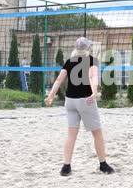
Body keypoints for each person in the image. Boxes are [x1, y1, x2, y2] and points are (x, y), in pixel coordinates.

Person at [45, 37, 115, 176]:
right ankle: (103, 165)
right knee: (97, 134)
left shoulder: (69, 62)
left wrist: (51, 95)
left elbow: (59, 79)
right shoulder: (92, 60)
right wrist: (94, 92)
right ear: (88, 48)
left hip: (70, 101)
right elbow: (93, 77)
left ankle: (66, 166)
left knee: (71, 135)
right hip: (85, 100)